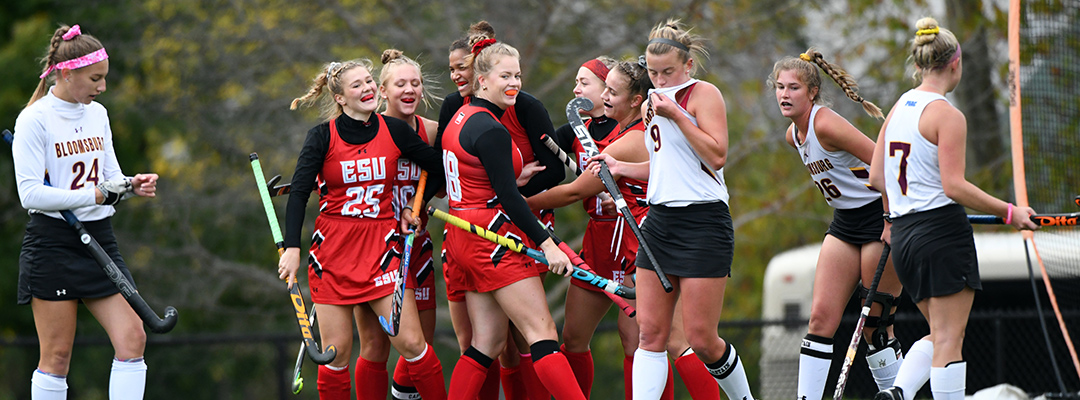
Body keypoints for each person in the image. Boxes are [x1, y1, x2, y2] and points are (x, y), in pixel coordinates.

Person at [869, 18, 1039, 400]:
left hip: (905, 239)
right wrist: (1011, 213)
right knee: (949, 339)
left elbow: (877, 175)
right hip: (941, 234)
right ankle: (901, 391)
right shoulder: (947, 115)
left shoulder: (898, 107)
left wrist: (890, 216)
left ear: (919, 64)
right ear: (955, 64)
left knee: (940, 333)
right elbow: (954, 186)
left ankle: (898, 391)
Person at [532, 57, 721, 399]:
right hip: (604, 242)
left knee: (666, 339)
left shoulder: (633, 137)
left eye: (611, 91)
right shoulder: (615, 131)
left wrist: (512, 204)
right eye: (602, 89)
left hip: (641, 243)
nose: (604, 96)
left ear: (636, 100)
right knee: (575, 336)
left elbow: (577, 190)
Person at [590, 19, 755, 400]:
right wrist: (621, 168)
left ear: (687, 66)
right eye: (652, 73)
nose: (660, 81)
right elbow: (665, 167)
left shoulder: (703, 95)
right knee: (650, 334)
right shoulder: (651, 103)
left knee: (701, 339)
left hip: (703, 221)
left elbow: (716, 155)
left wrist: (677, 115)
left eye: (667, 72)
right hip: (660, 221)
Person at [280, 58, 447, 400]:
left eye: (369, 82)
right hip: (333, 254)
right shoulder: (321, 136)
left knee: (413, 343)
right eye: (357, 85)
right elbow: (298, 193)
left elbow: (440, 168)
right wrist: (291, 248)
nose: (368, 88)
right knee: (336, 355)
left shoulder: (394, 130)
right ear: (340, 97)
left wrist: (412, 207)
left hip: (382, 250)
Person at [13, 24, 159, 400]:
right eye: (95, 78)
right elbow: (30, 194)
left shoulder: (98, 115)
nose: (102, 87)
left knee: (132, 337)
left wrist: (130, 186)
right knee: (57, 356)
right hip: (54, 243)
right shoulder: (35, 119)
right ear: (66, 73)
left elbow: (108, 180)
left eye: (104, 78)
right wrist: (92, 195)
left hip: (99, 239)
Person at [440, 31, 585, 400]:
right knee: (543, 333)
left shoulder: (461, 117)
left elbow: (485, 180)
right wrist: (547, 243)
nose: (514, 83)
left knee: (486, 343)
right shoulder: (491, 128)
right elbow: (508, 197)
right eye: (505, 76)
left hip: (463, 238)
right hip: (490, 238)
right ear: (482, 79)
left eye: (517, 76)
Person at [768, 49, 906, 399]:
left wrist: (891, 216)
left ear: (812, 92)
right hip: (845, 223)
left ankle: (898, 394)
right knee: (819, 321)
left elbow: (883, 163)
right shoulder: (793, 136)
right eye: (779, 87)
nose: (784, 94)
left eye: (793, 87)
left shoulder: (825, 123)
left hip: (879, 216)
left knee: (876, 326)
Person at [377, 48, 442, 400]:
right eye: (400, 83)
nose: (410, 90)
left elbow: (449, 176)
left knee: (423, 344)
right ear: (382, 91)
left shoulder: (430, 131)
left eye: (416, 84)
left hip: (418, 245)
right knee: (380, 346)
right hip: (381, 249)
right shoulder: (369, 131)